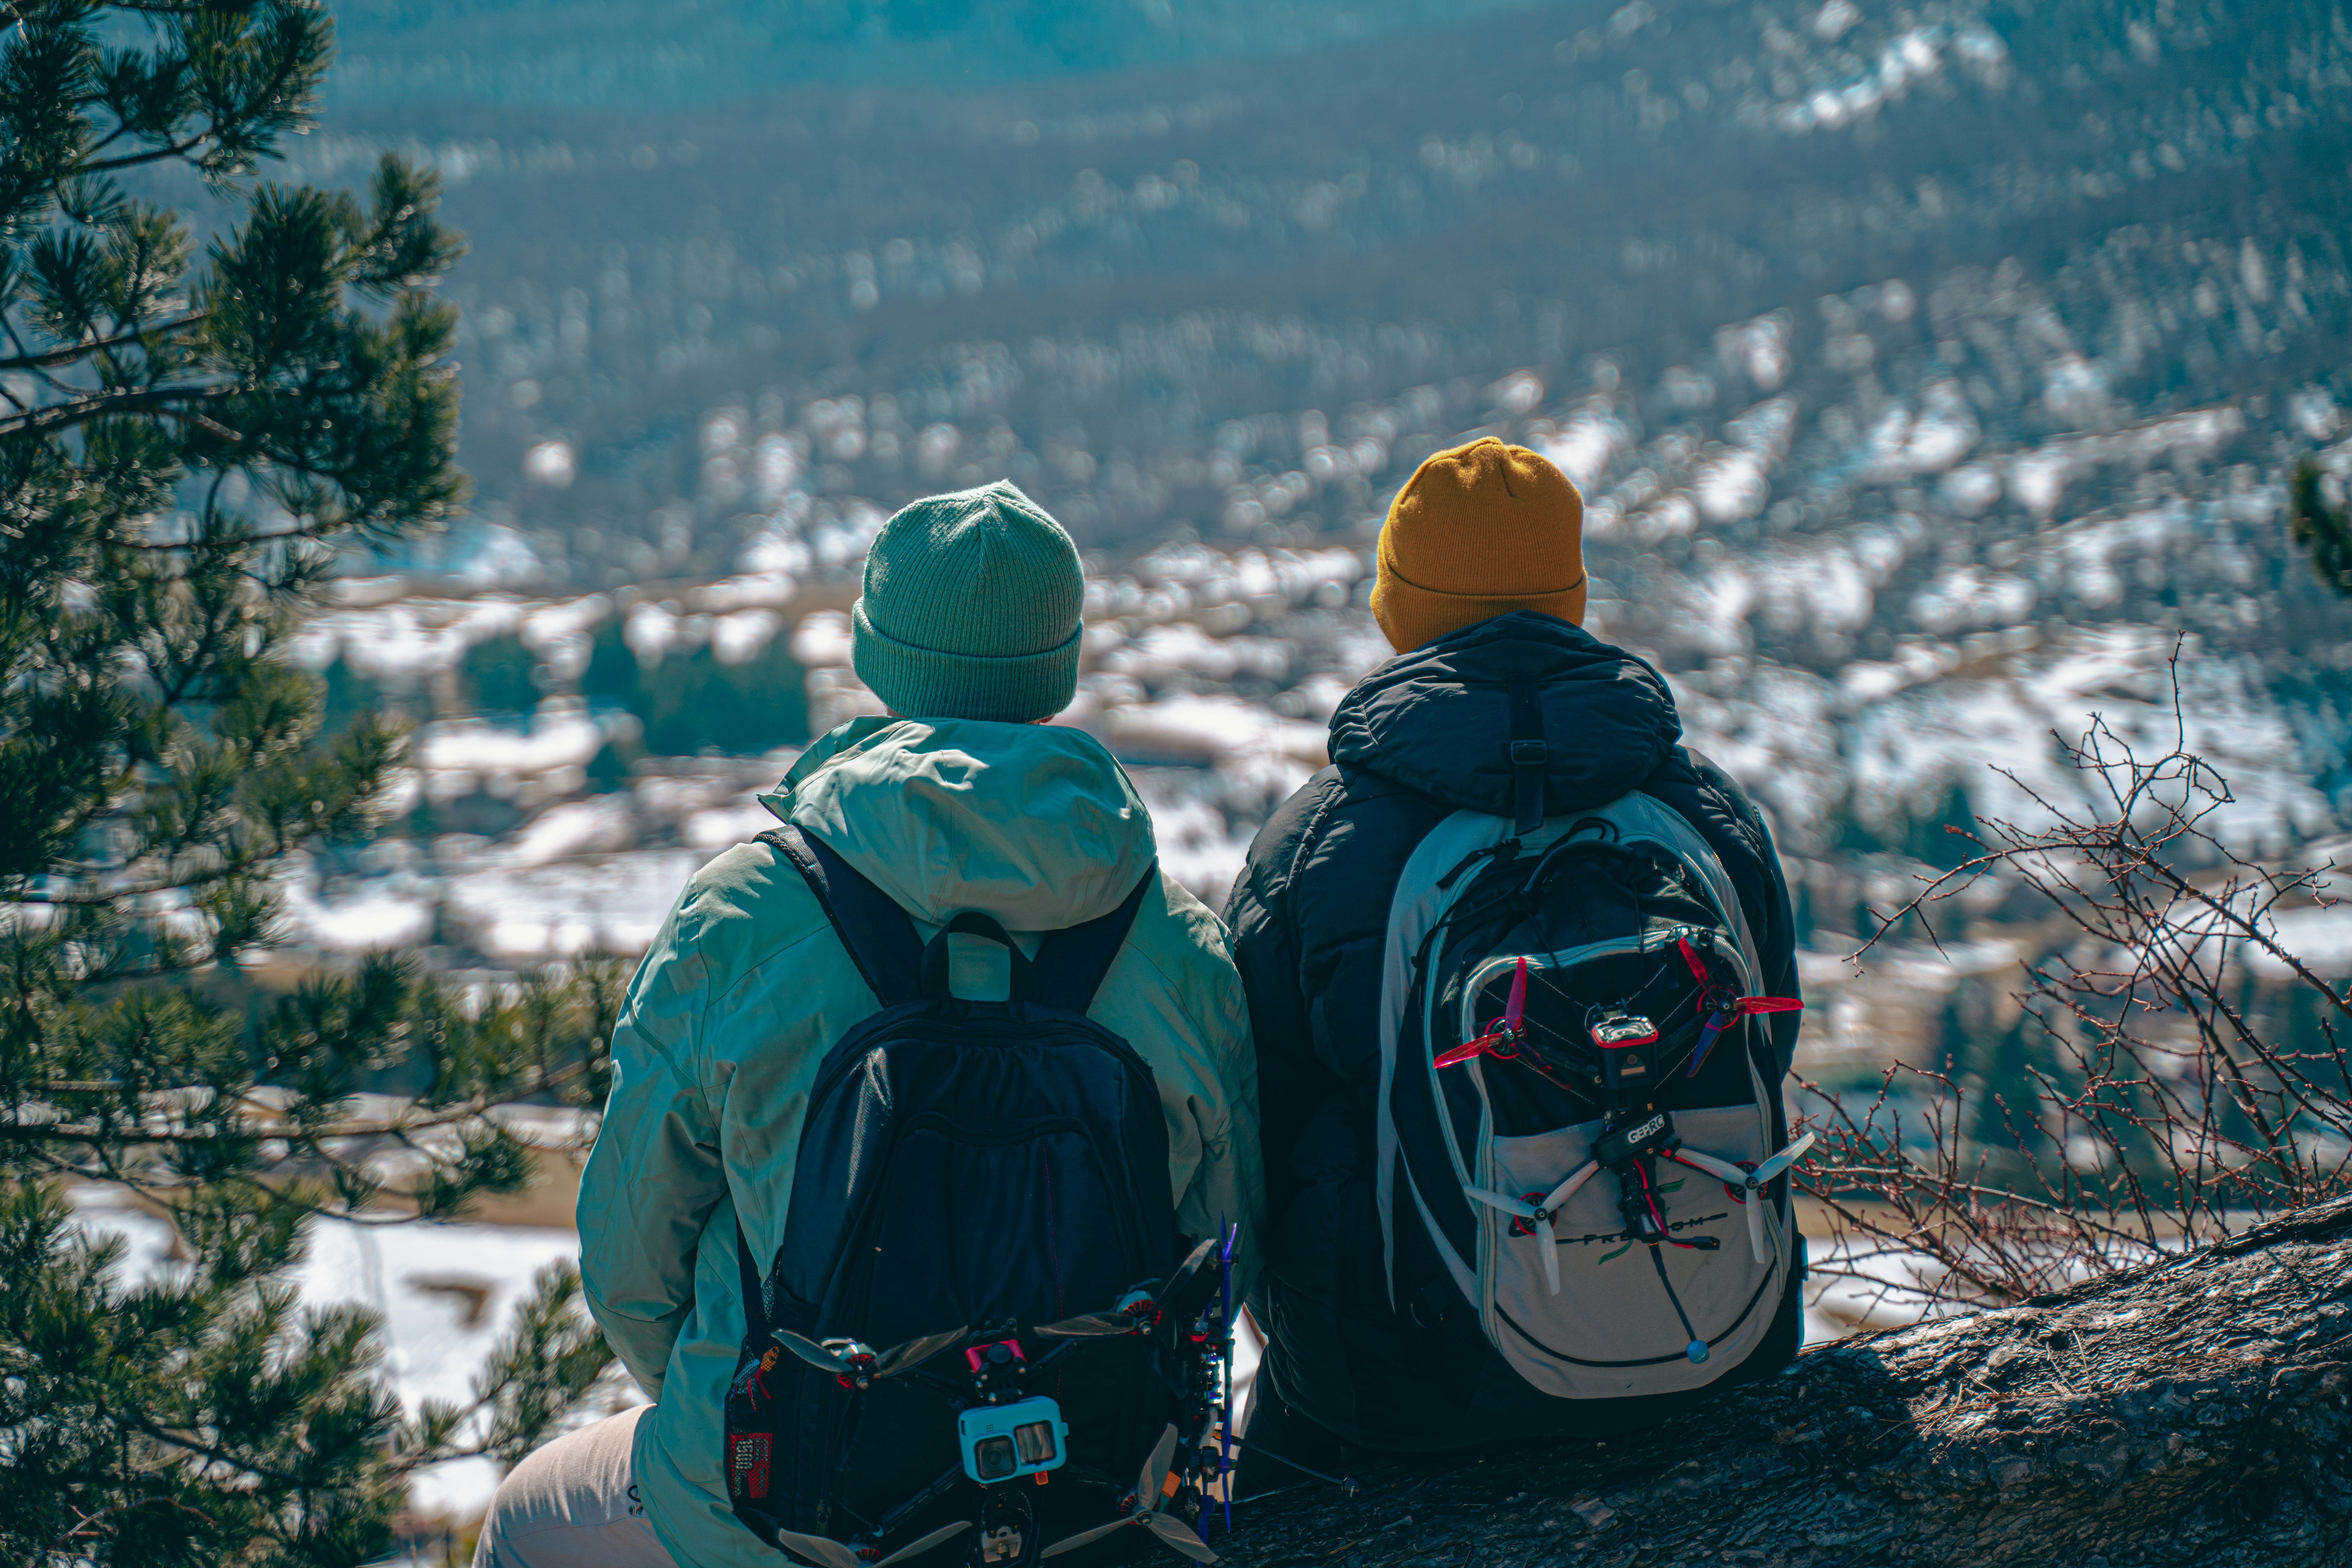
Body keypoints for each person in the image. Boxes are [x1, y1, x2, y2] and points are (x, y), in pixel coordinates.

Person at [474, 481, 1263, 1568]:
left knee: (523, 1523)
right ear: (1060, 663)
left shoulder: (742, 917)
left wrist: (771, 1414)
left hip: (783, 1511)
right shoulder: (1177, 946)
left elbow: (632, 1263)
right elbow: (1226, 1255)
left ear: (876, 654)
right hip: (1088, 1502)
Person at [1221, 437, 1803, 1485]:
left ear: (1397, 610)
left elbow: (1258, 1126)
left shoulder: (1319, 845)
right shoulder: (1702, 810)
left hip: (1400, 1396)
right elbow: (1770, 1041)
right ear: (1571, 597)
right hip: (1718, 1347)